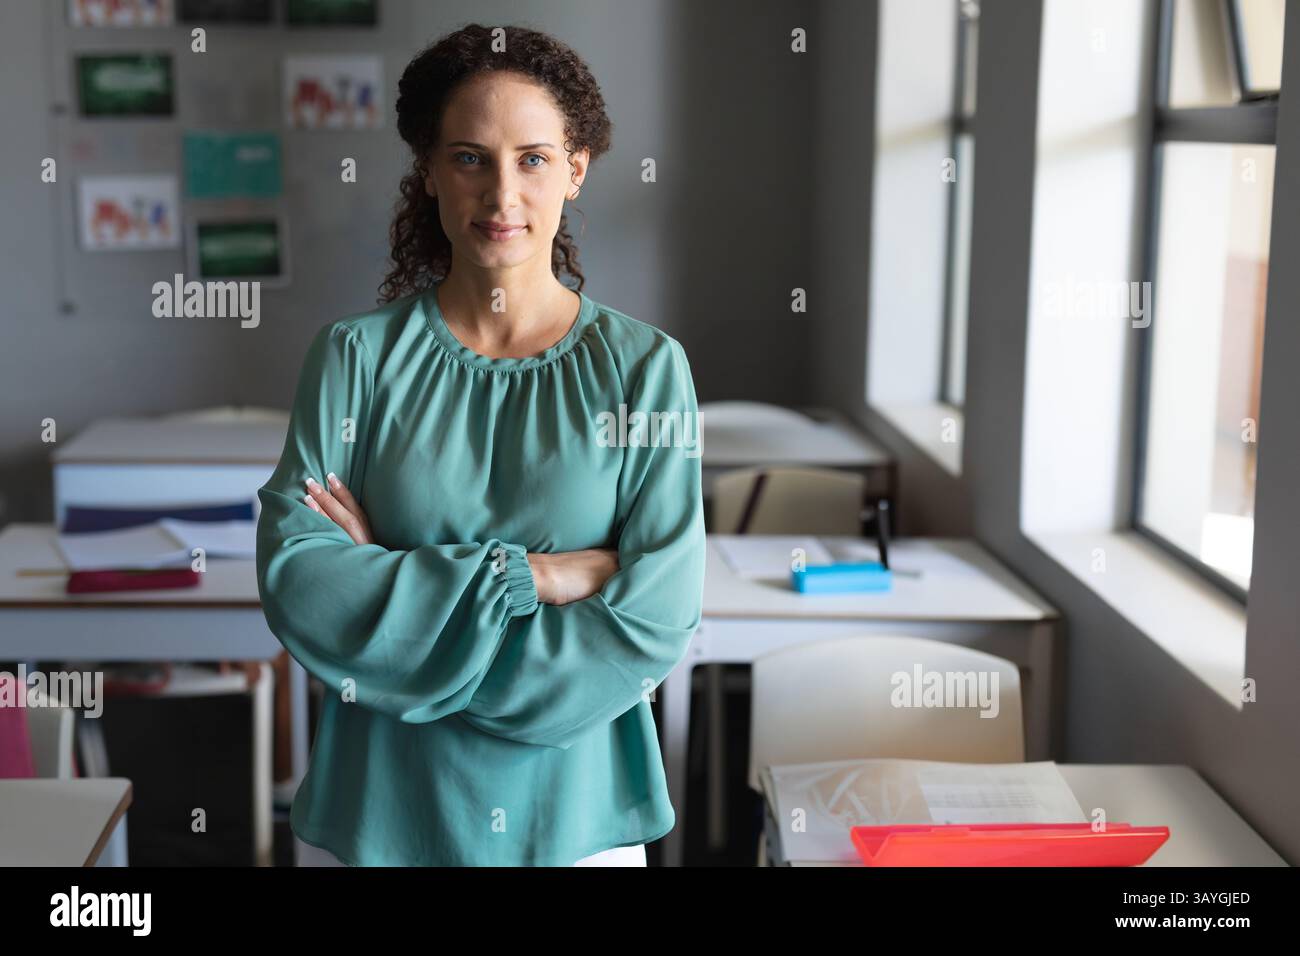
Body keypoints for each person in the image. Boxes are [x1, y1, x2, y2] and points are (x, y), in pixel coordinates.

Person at [255, 23, 706, 866]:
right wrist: (537, 576)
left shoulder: (647, 370)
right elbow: (302, 585)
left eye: (533, 158)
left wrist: (398, 598)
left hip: (575, 824)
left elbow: (656, 617)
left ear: (576, 170)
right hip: (380, 818)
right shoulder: (352, 359)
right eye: (469, 157)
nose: (501, 195)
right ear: (427, 170)